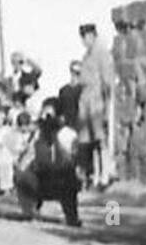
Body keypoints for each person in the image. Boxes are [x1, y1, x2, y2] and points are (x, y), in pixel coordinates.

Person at [15, 98, 82, 227]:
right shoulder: (35, 134)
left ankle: (71, 216)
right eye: (45, 114)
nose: (47, 119)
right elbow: (24, 162)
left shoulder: (68, 135)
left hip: (61, 181)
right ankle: (29, 211)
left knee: (69, 178)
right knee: (23, 177)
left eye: (50, 115)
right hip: (40, 180)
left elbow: (73, 161)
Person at [77, 22, 115, 189]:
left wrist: (107, 103)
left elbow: (107, 80)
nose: (84, 41)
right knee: (91, 141)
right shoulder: (86, 56)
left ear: (92, 36)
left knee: (101, 140)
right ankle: (97, 176)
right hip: (87, 102)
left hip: (97, 100)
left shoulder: (102, 53)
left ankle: (105, 175)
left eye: (85, 37)